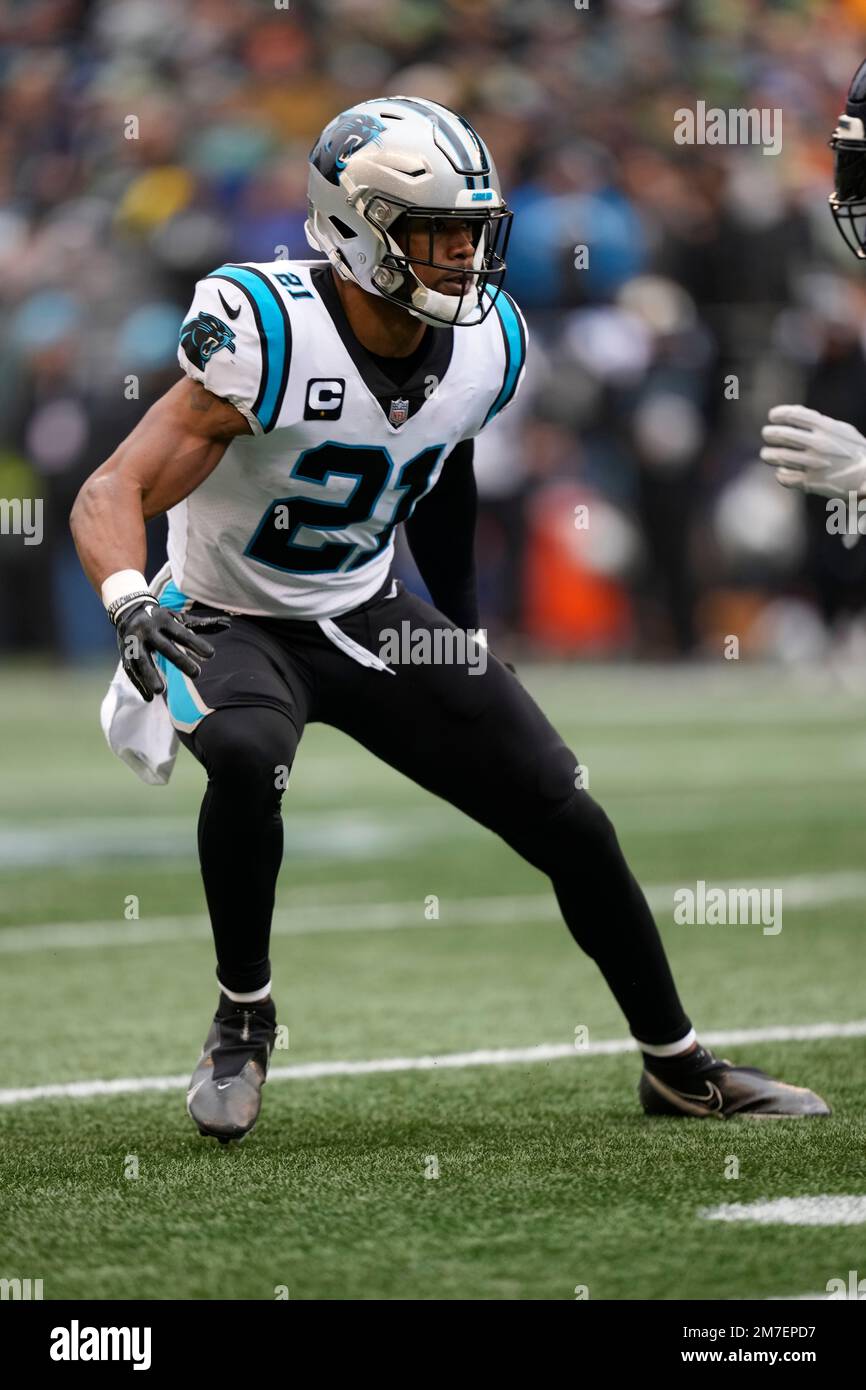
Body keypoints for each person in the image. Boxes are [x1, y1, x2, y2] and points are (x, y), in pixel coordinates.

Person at [71, 97, 828, 1142]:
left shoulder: (487, 344)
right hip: (223, 615)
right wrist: (126, 601)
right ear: (353, 226)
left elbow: (448, 456)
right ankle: (243, 1012)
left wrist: (460, 626)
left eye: (471, 232)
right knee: (245, 754)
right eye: (434, 232)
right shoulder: (268, 331)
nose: (462, 256)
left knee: (564, 807)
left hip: (366, 607)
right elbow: (109, 489)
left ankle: (675, 1062)